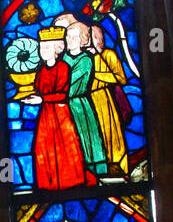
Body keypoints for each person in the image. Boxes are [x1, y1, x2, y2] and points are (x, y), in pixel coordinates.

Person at [24, 25, 96, 189]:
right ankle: (46, 183)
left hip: (60, 113)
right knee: (42, 147)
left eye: (47, 47)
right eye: (42, 47)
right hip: (46, 115)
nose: (43, 50)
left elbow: (63, 94)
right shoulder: (41, 70)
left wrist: (41, 99)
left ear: (58, 48)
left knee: (64, 146)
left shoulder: (63, 68)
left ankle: (69, 181)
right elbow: (38, 88)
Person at [59, 18, 107, 178]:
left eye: (73, 37)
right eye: (67, 37)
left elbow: (71, 83)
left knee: (85, 137)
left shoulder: (86, 60)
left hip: (78, 104)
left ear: (82, 40)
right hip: (63, 105)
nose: (69, 40)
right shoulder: (63, 59)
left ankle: (93, 172)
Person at [89, 24, 130, 174]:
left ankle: (120, 167)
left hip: (106, 99)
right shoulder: (83, 57)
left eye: (90, 36)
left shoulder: (108, 55)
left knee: (112, 136)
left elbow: (121, 79)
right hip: (87, 102)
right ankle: (99, 171)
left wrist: (96, 74)